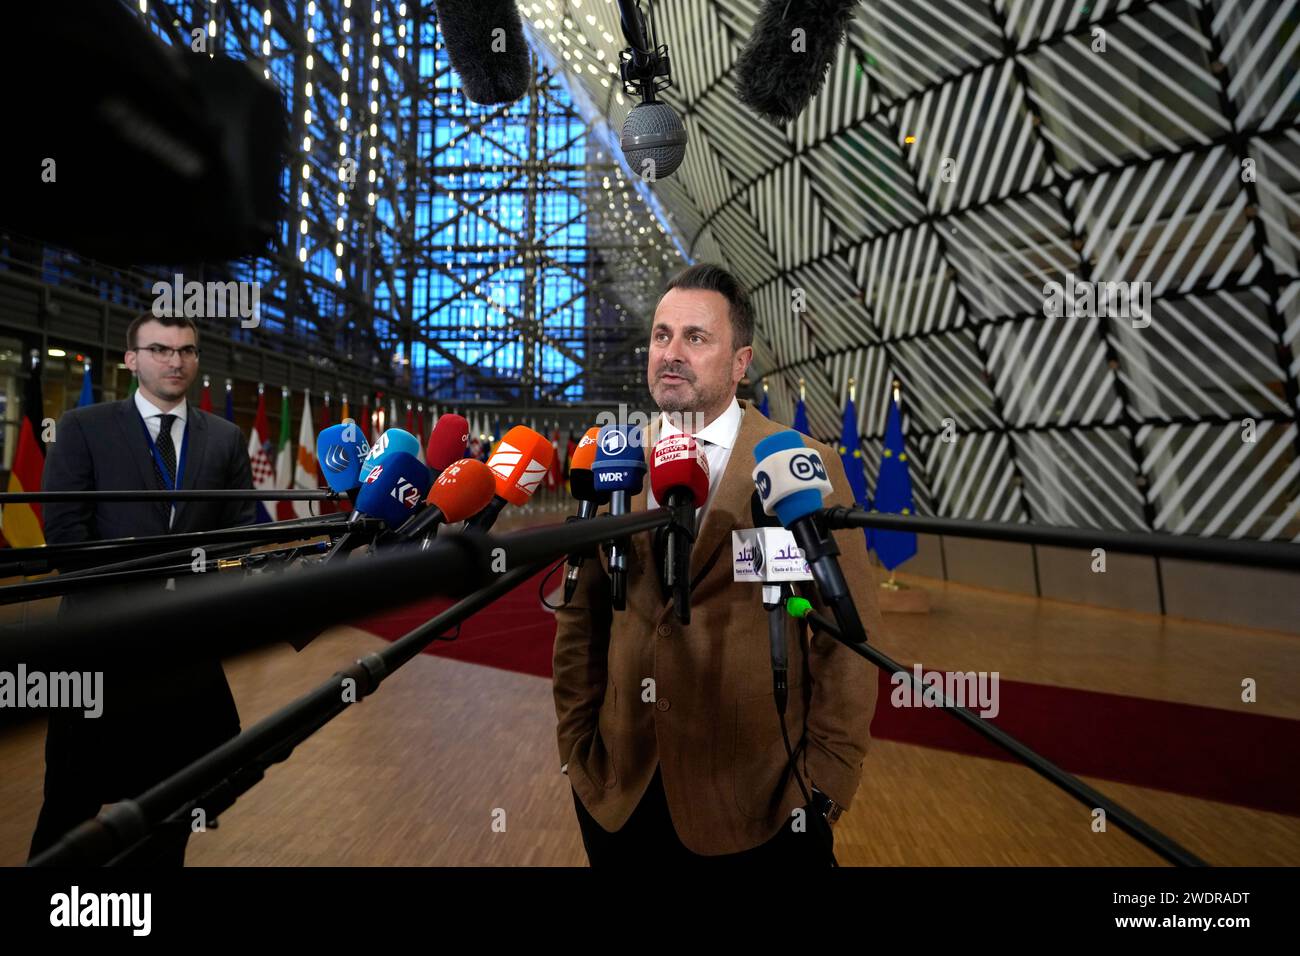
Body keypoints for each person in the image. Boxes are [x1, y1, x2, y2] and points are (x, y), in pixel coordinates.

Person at [553, 263, 883, 865]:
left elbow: (846, 640)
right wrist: (576, 751)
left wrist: (825, 787)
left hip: (759, 805)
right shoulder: (613, 464)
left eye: (695, 338)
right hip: (619, 794)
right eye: (661, 335)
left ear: (740, 362)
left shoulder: (803, 465)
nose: (671, 353)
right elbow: (582, 620)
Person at [29, 313, 257, 865]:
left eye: (186, 351)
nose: (174, 361)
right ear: (130, 360)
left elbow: (242, 528)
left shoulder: (224, 437)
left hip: (186, 656)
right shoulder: (82, 426)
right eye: (159, 349)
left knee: (173, 807)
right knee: (69, 804)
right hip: (100, 649)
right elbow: (64, 535)